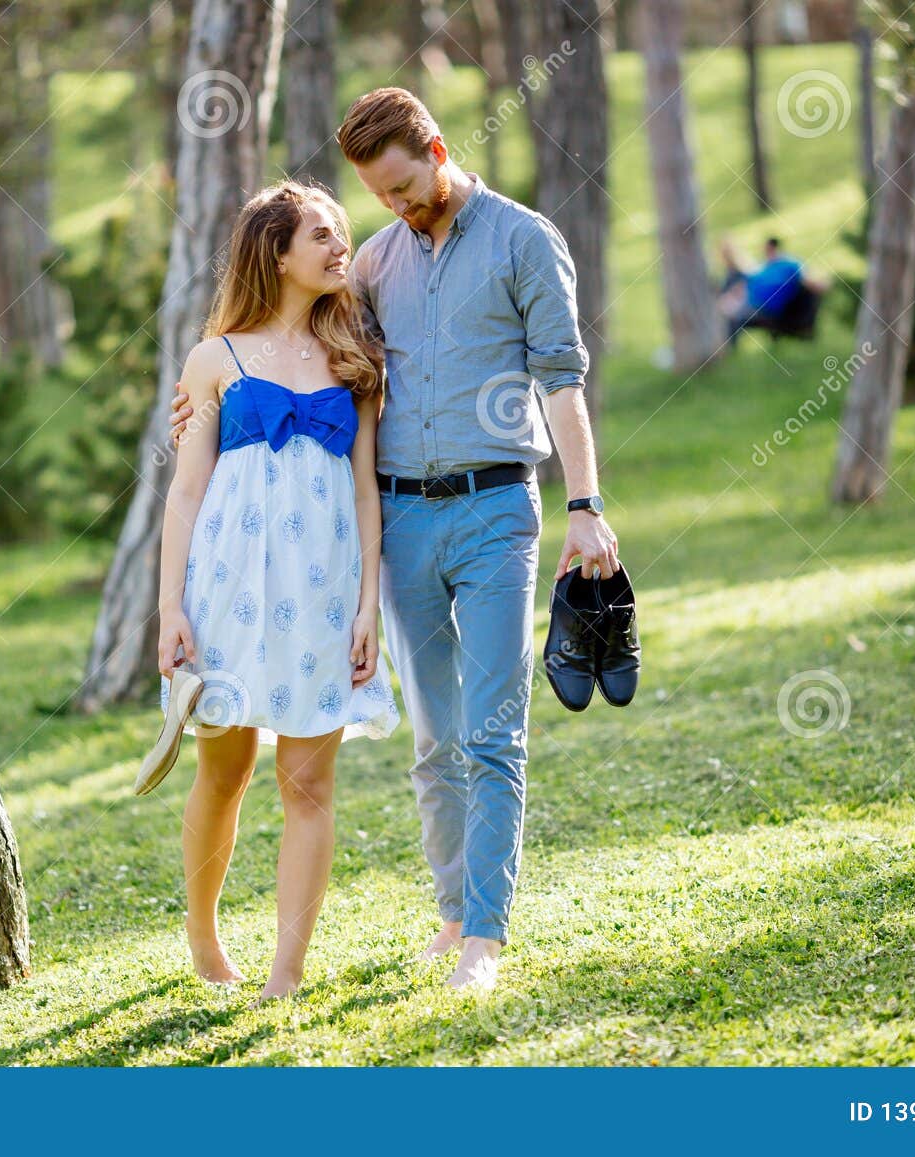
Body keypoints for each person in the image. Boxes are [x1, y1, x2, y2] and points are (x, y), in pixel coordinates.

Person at [170, 88, 620, 991]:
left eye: (405, 188)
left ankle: (484, 937)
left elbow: (562, 380)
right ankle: (452, 915)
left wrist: (586, 503)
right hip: (402, 520)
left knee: (491, 731)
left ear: (439, 151)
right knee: (433, 741)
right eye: (378, 196)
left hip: (496, 509)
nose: (395, 207)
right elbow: (290, 342)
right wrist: (209, 399)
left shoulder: (524, 240)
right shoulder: (373, 264)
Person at [143, 181, 401, 1002]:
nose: (338, 247)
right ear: (276, 252)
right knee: (224, 771)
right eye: (320, 235)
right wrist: (170, 606)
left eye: (340, 233)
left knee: (308, 782)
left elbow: (366, 491)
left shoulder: (356, 358)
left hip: (322, 589)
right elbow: (186, 491)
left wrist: (367, 606)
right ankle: (205, 939)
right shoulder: (215, 359)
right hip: (225, 588)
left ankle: (286, 972)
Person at [719, 236, 813, 343]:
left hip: (763, 308)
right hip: (750, 300)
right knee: (725, 308)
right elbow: (749, 280)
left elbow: (810, 281)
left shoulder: (790, 264)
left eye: (768, 249)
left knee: (731, 317)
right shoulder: (766, 265)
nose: (766, 252)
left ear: (775, 248)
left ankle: (725, 348)